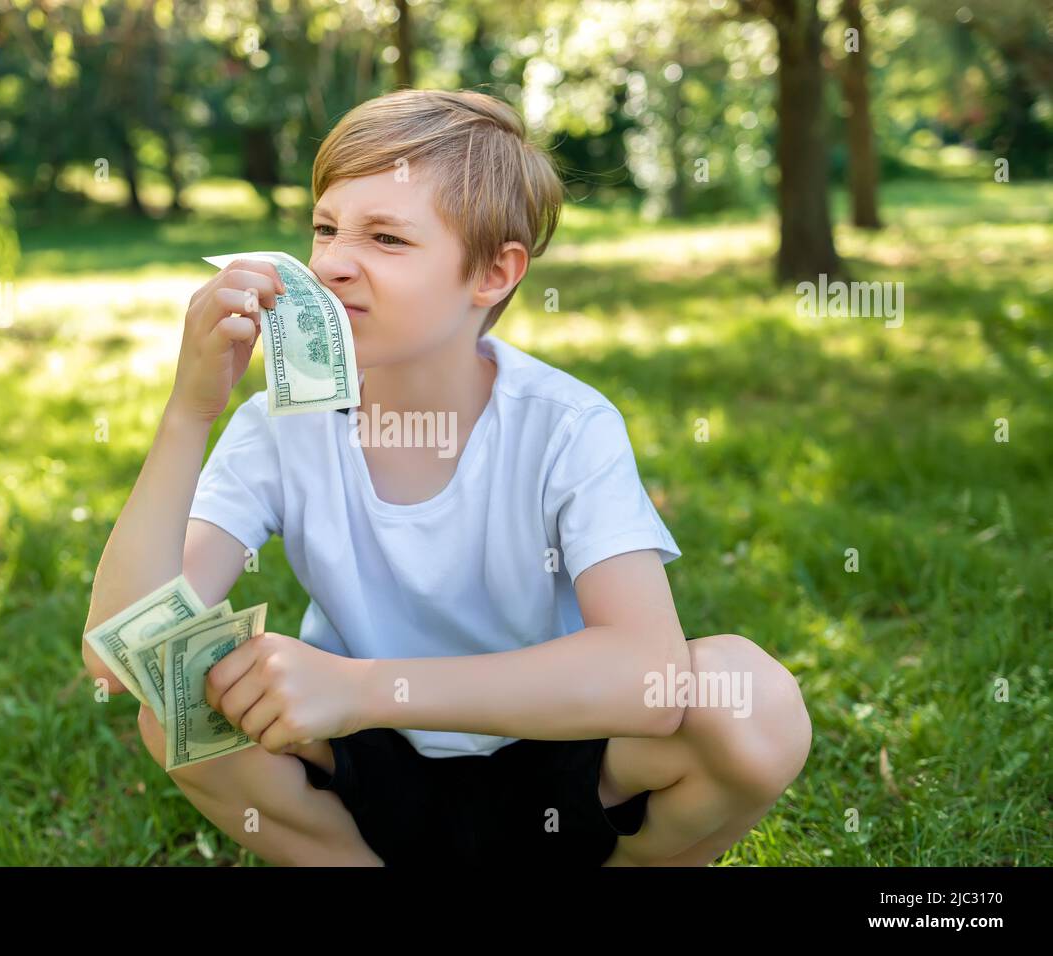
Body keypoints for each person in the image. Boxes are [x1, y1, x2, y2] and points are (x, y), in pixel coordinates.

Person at [82, 88, 812, 867]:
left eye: (386, 238)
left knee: (754, 701)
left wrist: (365, 687)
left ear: (493, 274)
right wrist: (189, 413)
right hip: (362, 772)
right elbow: (123, 656)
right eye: (325, 228)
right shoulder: (278, 425)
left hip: (557, 758)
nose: (329, 262)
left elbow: (649, 675)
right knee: (178, 703)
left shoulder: (564, 423)